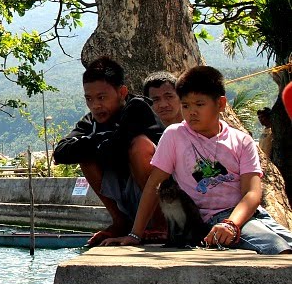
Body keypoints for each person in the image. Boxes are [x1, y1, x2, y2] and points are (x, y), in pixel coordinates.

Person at [105, 65, 292, 254]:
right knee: (277, 248)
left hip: (249, 216)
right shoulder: (175, 135)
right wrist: (135, 234)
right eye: (185, 105)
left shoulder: (241, 140)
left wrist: (232, 223)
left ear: (220, 104)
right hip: (211, 220)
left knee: (287, 244)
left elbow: (252, 193)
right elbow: (154, 184)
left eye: (199, 104)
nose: (191, 112)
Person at [53, 57, 166, 246]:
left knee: (139, 145)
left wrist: (99, 143)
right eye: (89, 99)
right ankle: (121, 222)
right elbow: (61, 152)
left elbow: (118, 148)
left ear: (121, 92)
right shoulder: (90, 121)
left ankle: (161, 224)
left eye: (102, 97)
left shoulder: (138, 108)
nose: (96, 105)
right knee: (85, 157)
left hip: (163, 192)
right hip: (125, 191)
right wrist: (101, 140)